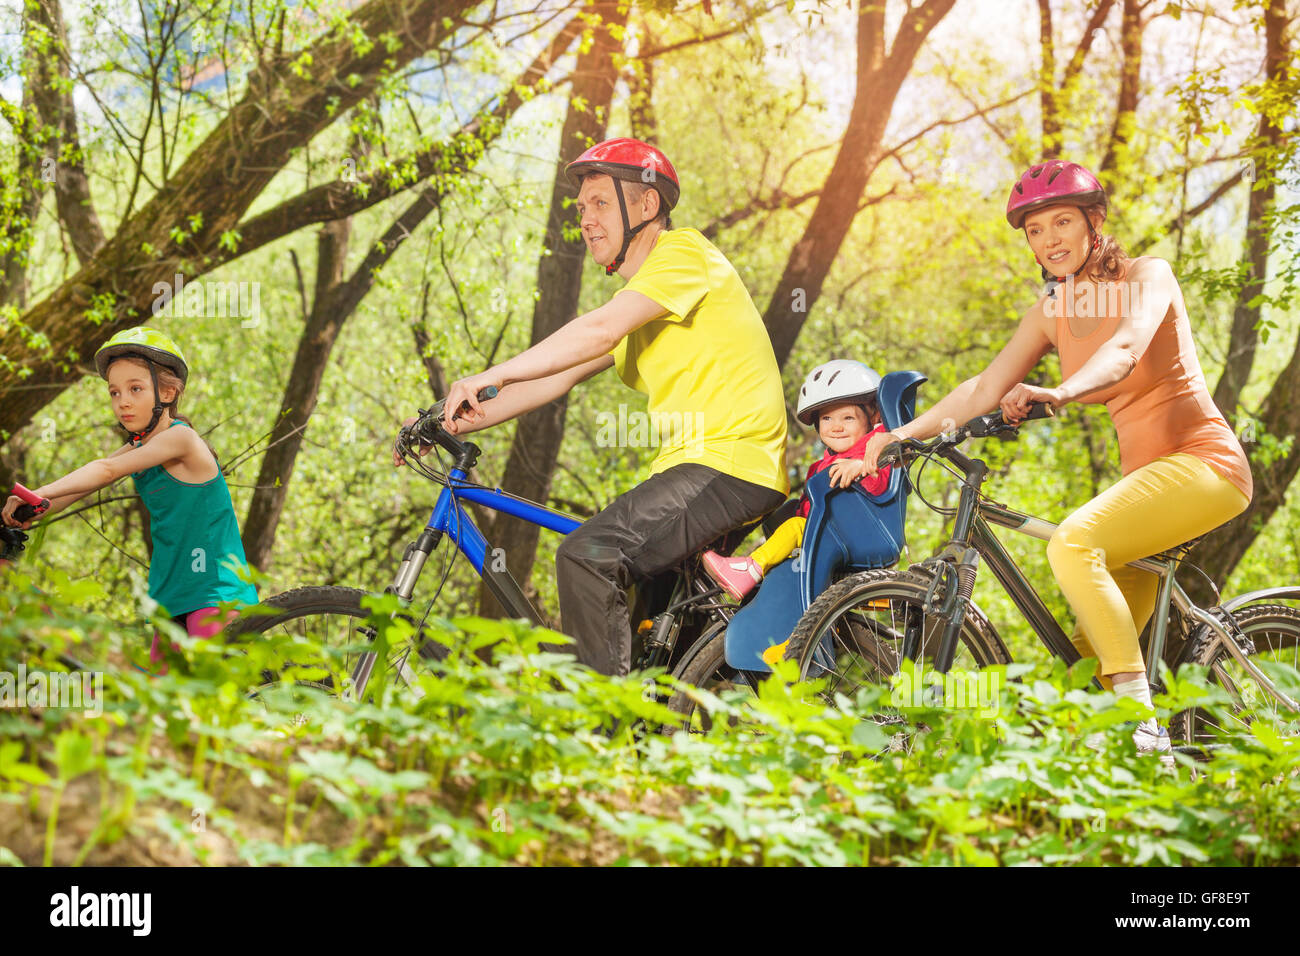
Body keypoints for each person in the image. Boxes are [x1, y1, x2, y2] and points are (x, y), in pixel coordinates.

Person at [861, 161, 1252, 764]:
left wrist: (1061, 392)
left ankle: (1148, 734)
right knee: (1084, 668)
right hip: (1146, 486)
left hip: (1204, 464)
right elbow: (984, 386)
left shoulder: (1150, 275)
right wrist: (901, 436)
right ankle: (1125, 793)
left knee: (1071, 545)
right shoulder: (1053, 312)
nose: (1050, 240)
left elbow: (1124, 350)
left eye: (1063, 222)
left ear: (1095, 222)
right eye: (1036, 230)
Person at [418, 137, 789, 676]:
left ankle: (600, 738)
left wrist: (492, 371)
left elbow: (598, 329)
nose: (586, 220)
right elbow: (552, 379)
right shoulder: (645, 301)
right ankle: (652, 732)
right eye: (581, 208)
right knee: (646, 645)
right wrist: (438, 418)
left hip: (730, 465)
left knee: (588, 557)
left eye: (600, 203)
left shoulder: (683, 254)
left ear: (646, 206)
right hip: (701, 472)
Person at [1, 327, 259, 669]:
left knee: (208, 701)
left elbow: (106, 469)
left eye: (135, 389)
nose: (122, 401)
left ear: (168, 392)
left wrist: (44, 491)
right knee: (160, 711)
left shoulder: (183, 440)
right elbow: (84, 486)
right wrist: (32, 511)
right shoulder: (141, 447)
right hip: (173, 596)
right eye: (114, 392)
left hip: (214, 590)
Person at [701, 360, 892, 600]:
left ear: (871, 417)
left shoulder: (875, 450)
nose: (836, 427)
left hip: (856, 536)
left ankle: (750, 569)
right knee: (783, 514)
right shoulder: (820, 465)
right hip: (830, 535)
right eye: (827, 419)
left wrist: (863, 467)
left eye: (848, 418)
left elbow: (881, 485)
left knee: (797, 527)